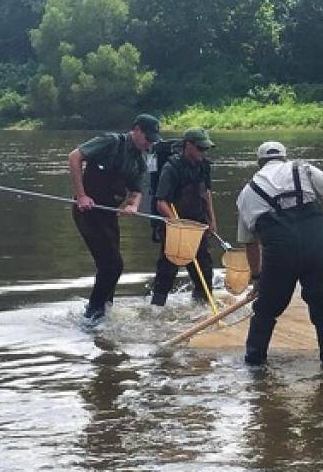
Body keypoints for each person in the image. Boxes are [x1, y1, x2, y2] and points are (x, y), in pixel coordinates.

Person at [237, 141, 323, 368]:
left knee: (266, 310)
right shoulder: (302, 168)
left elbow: (250, 243)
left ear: (259, 163)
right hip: (318, 248)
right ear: (284, 157)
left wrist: (258, 278)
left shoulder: (247, 193)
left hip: (280, 255)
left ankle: (254, 364)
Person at [69, 113, 161, 321]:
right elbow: (74, 157)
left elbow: (136, 191)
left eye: (153, 141)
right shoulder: (110, 142)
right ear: (136, 130)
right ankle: (93, 313)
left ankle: (105, 309)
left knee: (110, 265)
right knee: (113, 264)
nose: (149, 144)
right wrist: (81, 195)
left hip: (109, 215)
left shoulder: (140, 160)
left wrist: (132, 205)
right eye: (147, 138)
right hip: (87, 211)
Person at [149, 127, 218, 306]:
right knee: (168, 269)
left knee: (204, 269)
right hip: (175, 226)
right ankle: (157, 307)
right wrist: (178, 225)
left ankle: (201, 305)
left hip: (198, 224)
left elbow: (206, 193)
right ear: (188, 146)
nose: (203, 152)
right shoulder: (171, 168)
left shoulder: (204, 166)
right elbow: (161, 202)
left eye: (206, 149)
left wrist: (211, 219)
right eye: (200, 148)